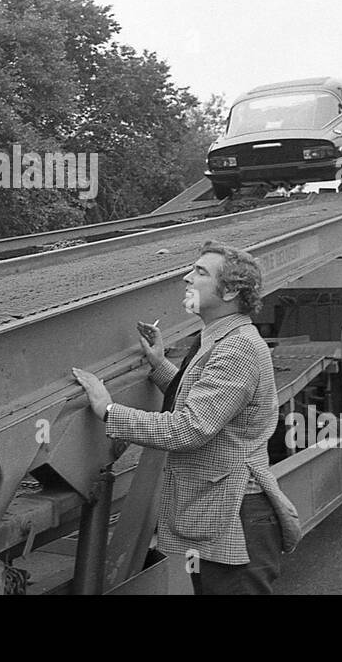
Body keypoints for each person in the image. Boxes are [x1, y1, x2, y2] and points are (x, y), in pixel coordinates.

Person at [72, 240, 302, 594]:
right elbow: (208, 402)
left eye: (199, 272)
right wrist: (160, 364)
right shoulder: (223, 338)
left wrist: (108, 410)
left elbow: (190, 428)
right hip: (224, 510)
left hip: (236, 516)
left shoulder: (237, 347)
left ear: (230, 290)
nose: (185, 278)